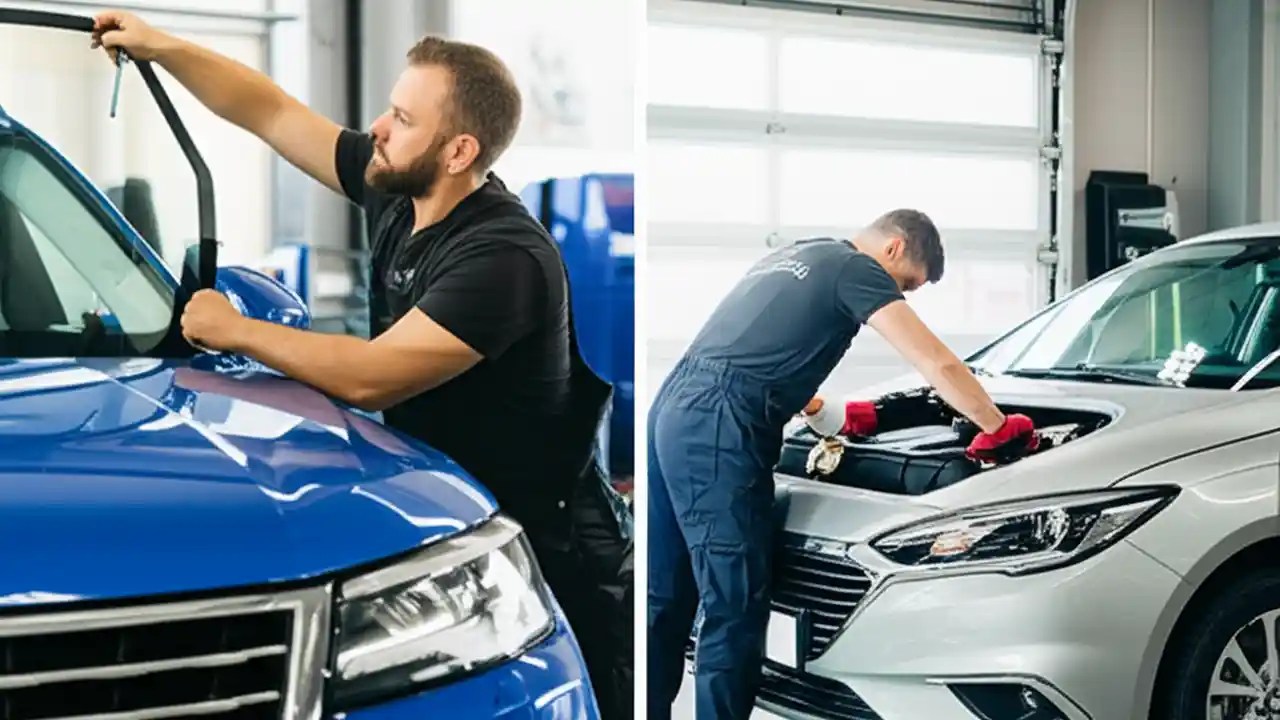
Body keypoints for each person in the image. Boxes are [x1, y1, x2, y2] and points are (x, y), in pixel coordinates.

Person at [89, 11, 630, 718]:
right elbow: (271, 111)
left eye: (402, 117)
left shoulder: (502, 258)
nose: (378, 126)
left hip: (551, 554)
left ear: (458, 150)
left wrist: (237, 330)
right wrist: (162, 45)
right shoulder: (400, 191)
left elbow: (373, 374)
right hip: (456, 524)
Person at [646, 209, 1038, 719]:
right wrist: (994, 425)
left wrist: (818, 408)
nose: (899, 294)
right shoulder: (858, 269)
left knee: (666, 599)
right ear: (894, 248)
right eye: (906, 286)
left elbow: (759, 346)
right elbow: (934, 360)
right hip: (717, 427)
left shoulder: (800, 252)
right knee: (733, 605)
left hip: (675, 408)